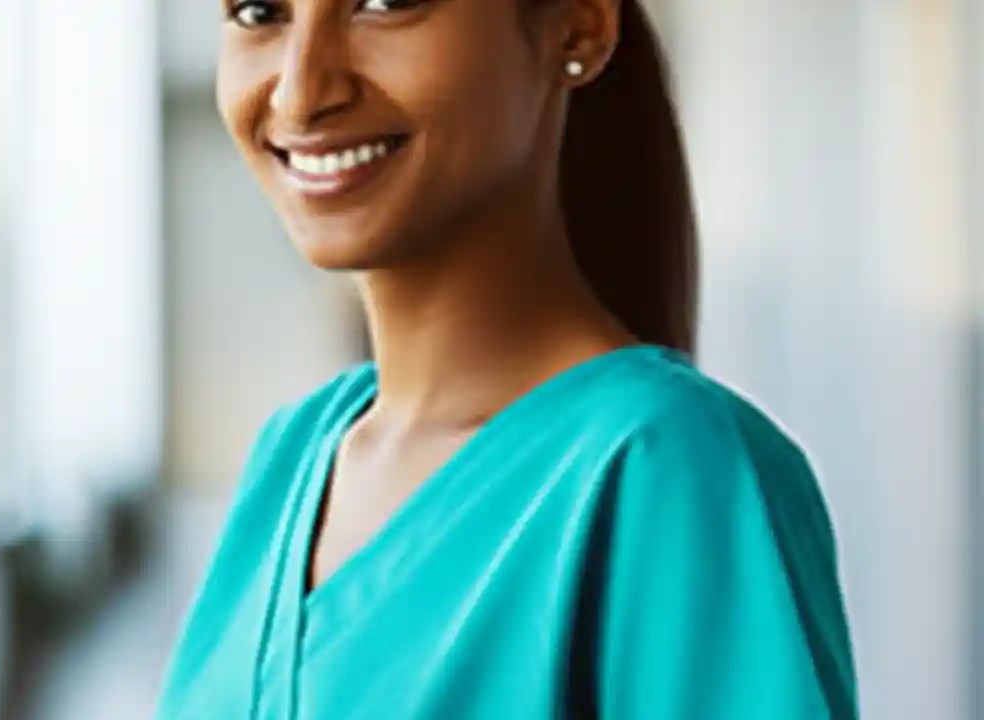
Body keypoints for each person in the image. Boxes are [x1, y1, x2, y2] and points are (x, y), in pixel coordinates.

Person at [157, 0, 858, 717]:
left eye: (385, 5)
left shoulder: (664, 467)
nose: (301, 91)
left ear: (577, 26)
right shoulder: (292, 455)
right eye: (258, 11)